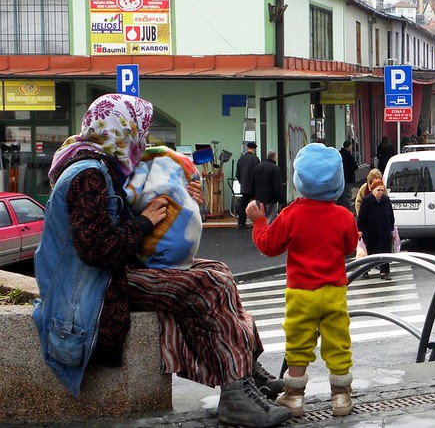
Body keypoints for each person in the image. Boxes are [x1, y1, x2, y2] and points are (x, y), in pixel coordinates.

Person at [33, 93, 290, 428]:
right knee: (207, 285)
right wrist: (146, 221)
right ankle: (236, 393)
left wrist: (181, 196)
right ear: (120, 130)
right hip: (89, 295)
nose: (142, 140)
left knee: (219, 271)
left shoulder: (100, 164)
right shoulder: (88, 176)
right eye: (138, 131)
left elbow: (127, 210)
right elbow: (98, 250)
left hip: (107, 278)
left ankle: (246, 374)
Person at [248, 143, 359, 418]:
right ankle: (341, 398)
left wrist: (259, 221)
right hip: (334, 290)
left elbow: (269, 246)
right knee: (338, 341)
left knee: (298, 343)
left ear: (300, 181)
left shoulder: (291, 214)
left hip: (301, 292)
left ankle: (295, 397)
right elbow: (349, 247)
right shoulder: (344, 216)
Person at [356, 177, 395, 280]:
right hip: (371, 231)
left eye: (382, 190)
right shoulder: (367, 201)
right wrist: (360, 230)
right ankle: (365, 270)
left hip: (384, 230)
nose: (380, 192)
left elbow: (391, 215)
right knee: (369, 252)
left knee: (385, 251)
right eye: (378, 190)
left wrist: (392, 228)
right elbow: (362, 216)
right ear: (373, 190)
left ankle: (384, 272)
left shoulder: (386, 200)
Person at [253, 149, 283, 224]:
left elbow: (253, 182)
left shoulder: (258, 167)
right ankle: (267, 234)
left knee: (261, 217)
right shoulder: (275, 168)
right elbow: (277, 186)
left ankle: (260, 232)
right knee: (270, 218)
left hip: (259, 197)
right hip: (271, 198)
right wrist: (281, 200)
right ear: (274, 157)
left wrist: (253, 196)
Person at [236, 141, 260, 229]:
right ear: (254, 149)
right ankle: (257, 223)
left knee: (243, 205)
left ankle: (241, 223)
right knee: (256, 205)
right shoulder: (255, 159)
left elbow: (237, 174)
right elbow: (258, 173)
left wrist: (242, 182)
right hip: (254, 186)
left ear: (247, 148)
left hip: (244, 186)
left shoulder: (241, 159)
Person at [337, 139, 359, 210]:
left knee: (340, 195)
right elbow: (354, 166)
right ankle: (346, 211)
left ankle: (339, 209)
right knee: (347, 195)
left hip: (340, 177)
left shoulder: (339, 153)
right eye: (351, 146)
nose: (351, 148)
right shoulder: (348, 155)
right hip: (348, 178)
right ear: (348, 146)